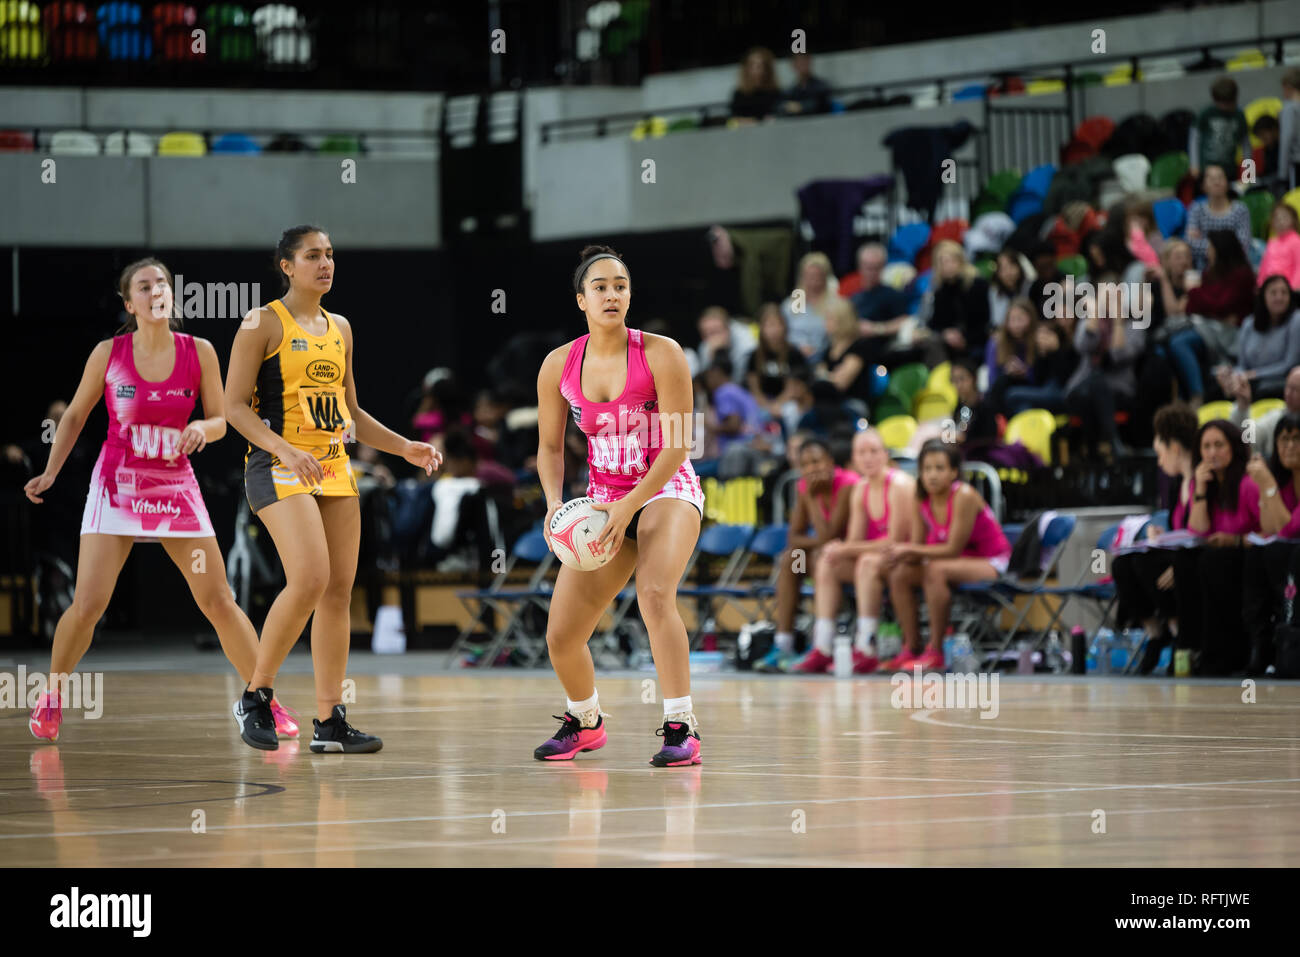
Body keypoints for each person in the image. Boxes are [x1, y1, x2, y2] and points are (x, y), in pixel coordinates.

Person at [25, 259, 299, 745]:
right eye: (144, 286)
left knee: (218, 600)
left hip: (174, 485)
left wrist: (201, 428)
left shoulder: (201, 352)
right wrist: (50, 472)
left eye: (163, 284)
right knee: (88, 603)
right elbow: (72, 417)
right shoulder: (109, 353)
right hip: (118, 484)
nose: (157, 291)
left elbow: (222, 418)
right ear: (130, 304)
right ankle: (53, 692)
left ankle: (263, 699)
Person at [225, 225, 441, 753]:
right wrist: (283, 449)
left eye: (330, 255)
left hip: (333, 469)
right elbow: (232, 409)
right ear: (286, 266)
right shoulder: (260, 324)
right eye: (312, 255)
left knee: (339, 591)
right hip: (277, 468)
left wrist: (403, 446)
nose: (325, 264)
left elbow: (352, 412)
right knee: (309, 580)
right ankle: (256, 695)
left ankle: (330, 721)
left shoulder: (339, 327)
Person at [535, 244, 706, 767]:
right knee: (562, 635)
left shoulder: (662, 353)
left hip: (664, 488)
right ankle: (585, 721)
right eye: (601, 287)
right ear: (581, 300)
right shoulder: (558, 364)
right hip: (603, 500)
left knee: (655, 594)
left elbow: (678, 444)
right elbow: (547, 447)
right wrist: (553, 507)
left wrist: (630, 506)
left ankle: (681, 726)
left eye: (621, 286)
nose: (613, 294)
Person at [780, 428, 914, 674]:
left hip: (904, 558)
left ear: (885, 454)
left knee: (860, 561)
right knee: (815, 561)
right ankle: (819, 646)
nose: (868, 458)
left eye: (874, 451)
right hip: (871, 557)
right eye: (862, 452)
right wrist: (838, 550)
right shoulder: (862, 487)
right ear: (854, 457)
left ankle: (866, 646)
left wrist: (838, 545)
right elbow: (798, 537)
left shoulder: (884, 484)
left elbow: (891, 541)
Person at [881, 440, 1011, 671]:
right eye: (927, 469)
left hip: (991, 561)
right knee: (899, 573)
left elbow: (952, 549)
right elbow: (918, 547)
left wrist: (908, 549)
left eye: (940, 468)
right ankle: (911, 647)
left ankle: (936, 650)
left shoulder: (964, 495)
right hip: (952, 563)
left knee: (935, 569)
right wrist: (894, 556)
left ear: (953, 472)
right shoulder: (921, 499)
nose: (932, 475)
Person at [1111, 403, 1199, 672]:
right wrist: (1160, 535)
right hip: (1179, 555)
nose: (1159, 462)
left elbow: (1202, 532)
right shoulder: (1175, 485)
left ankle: (1179, 633)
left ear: (1173, 447)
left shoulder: (1201, 480)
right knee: (1122, 563)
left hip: (1197, 558)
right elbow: (1179, 530)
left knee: (1145, 564)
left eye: (1160, 454)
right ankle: (1156, 633)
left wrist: (1177, 561)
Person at [1171, 419, 1261, 675]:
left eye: (1219, 445)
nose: (1212, 453)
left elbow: (1270, 531)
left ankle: (1225, 654)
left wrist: (1233, 541)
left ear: (1233, 447)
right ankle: (1191, 648)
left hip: (1247, 556)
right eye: (1206, 446)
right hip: (1212, 559)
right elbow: (1197, 531)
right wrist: (1199, 489)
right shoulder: (1200, 483)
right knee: (1184, 560)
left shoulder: (1248, 483)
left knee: (1213, 560)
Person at [765, 437, 857, 667]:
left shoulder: (847, 484)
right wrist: (815, 542)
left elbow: (830, 535)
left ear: (831, 461)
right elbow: (794, 536)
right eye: (804, 465)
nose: (810, 469)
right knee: (791, 559)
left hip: (851, 557)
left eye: (816, 462)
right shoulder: (805, 487)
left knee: (816, 557)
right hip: (824, 555)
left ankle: (820, 641)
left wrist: (812, 498)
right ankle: (784, 643)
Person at [1241, 413, 1300, 674]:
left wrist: (1267, 484)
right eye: (1284, 439)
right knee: (1256, 554)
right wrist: (1268, 488)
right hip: (1287, 555)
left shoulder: (1272, 481)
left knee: (1282, 551)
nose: (1289, 446)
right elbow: (1268, 526)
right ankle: (1260, 643)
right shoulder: (1282, 481)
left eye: (1297, 439)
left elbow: (1289, 529)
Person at [1215, 275, 1300, 402]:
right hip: (1249, 379)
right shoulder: (1249, 323)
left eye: (1284, 292)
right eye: (1273, 292)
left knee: (1257, 389)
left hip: (1277, 379)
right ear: (1263, 296)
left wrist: (1255, 374)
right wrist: (1233, 375)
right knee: (1219, 384)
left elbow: (1289, 364)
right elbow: (1242, 364)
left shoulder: (1295, 320)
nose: (1279, 297)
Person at [919, 240, 991, 364]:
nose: (948, 266)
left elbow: (985, 321)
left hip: (976, 341)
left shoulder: (978, 285)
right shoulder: (940, 291)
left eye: (952, 261)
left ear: (961, 261)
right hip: (949, 343)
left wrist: (965, 339)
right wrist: (945, 333)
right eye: (943, 262)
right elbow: (935, 323)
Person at [996, 317, 1076, 416]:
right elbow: (1038, 381)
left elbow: (1064, 379)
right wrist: (1043, 355)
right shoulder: (1041, 355)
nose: (1043, 339)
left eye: (1047, 334)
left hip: (1062, 394)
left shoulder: (1068, 350)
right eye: (1040, 335)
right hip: (1045, 393)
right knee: (1024, 405)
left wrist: (1056, 351)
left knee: (1012, 394)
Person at [745, 302, 810, 420]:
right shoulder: (754, 356)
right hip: (763, 402)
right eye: (769, 326)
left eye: (777, 325)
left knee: (790, 412)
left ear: (784, 327)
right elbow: (754, 388)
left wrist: (777, 404)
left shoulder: (793, 354)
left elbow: (794, 387)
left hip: (788, 401)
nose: (773, 331)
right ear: (761, 328)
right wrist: (766, 406)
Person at [1185, 165, 1254, 270]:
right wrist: (1225, 247)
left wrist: (1210, 248)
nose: (1216, 182)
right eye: (1211, 179)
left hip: (1235, 265)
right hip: (1204, 266)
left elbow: (1243, 244)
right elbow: (1190, 242)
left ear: (1227, 183)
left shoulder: (1240, 210)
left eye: (1220, 178)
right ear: (1203, 185)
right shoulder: (1196, 209)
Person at [1187, 75, 1253, 183]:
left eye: (1229, 104)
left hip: (1229, 170)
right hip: (1206, 169)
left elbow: (1246, 145)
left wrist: (1249, 172)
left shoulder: (1239, 115)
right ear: (1215, 100)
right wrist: (1194, 165)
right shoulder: (1206, 113)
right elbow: (1194, 139)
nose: (1226, 108)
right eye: (1223, 104)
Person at [1229, 364, 1300, 460]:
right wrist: (1243, 407)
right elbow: (1249, 441)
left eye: (1295, 389)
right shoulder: (1275, 417)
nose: (1288, 393)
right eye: (1288, 387)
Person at [816, 297, 876, 409]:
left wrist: (826, 376)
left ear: (842, 321)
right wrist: (831, 376)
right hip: (829, 401)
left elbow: (841, 384)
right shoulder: (829, 347)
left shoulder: (859, 346)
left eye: (830, 319)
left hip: (853, 403)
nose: (825, 323)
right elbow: (819, 375)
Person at [781, 252, 836, 358]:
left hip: (825, 355)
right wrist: (799, 345)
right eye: (809, 276)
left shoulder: (835, 304)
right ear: (802, 276)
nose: (813, 281)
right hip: (794, 355)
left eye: (818, 276)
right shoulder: (791, 304)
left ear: (826, 277)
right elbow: (781, 333)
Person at [686, 305, 757, 381]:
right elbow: (706, 383)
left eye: (715, 331)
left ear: (728, 329)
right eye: (706, 334)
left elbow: (737, 381)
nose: (712, 339)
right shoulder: (705, 346)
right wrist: (712, 359)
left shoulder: (745, 344)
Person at [1256, 200, 1300, 290]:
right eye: (1276, 218)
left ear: (1293, 220)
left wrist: (1293, 288)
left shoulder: (1296, 241)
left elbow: (1299, 266)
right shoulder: (1272, 242)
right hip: (1269, 287)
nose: (1280, 221)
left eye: (1284, 217)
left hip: (1287, 288)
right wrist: (1260, 285)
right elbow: (1264, 266)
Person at [730, 46, 781, 123]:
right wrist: (753, 122)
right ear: (746, 68)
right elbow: (732, 121)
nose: (756, 71)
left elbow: (780, 116)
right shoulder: (739, 95)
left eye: (760, 66)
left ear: (767, 69)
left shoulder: (775, 92)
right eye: (752, 66)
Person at [988, 247, 1034, 330]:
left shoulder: (1031, 288)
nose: (1008, 273)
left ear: (1019, 268)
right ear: (997, 273)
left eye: (1012, 267)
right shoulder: (994, 291)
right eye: (1003, 269)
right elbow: (996, 322)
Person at [1280, 67, 1300, 192]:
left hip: (1297, 163)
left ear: (1288, 87)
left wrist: (1282, 173)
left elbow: (1286, 139)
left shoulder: (1289, 109)